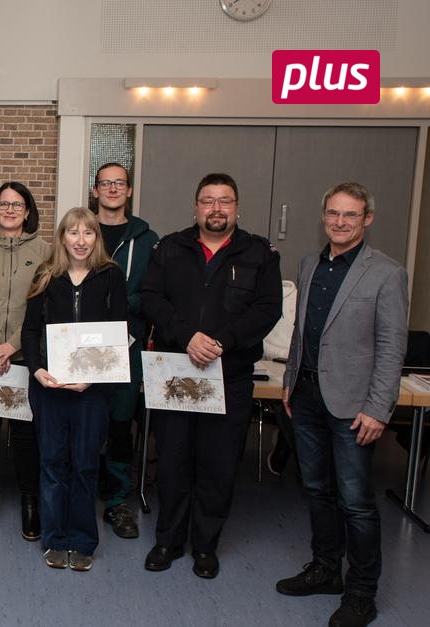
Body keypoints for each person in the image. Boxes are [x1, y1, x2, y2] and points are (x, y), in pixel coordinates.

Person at [276, 182, 408, 627]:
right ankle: (326, 569)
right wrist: (291, 379)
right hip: (308, 396)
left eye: (350, 215)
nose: (340, 222)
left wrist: (379, 407)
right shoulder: (310, 263)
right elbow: (302, 330)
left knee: (355, 501)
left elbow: (392, 347)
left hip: (354, 405)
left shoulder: (387, 273)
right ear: (323, 215)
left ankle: (361, 593)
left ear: (367, 219)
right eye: (333, 213)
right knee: (316, 490)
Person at [140, 172, 281, 578]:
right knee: (172, 462)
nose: (216, 208)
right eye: (208, 200)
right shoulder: (169, 248)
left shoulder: (260, 255)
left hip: (229, 375)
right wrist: (187, 337)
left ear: (237, 207)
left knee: (217, 466)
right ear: (196, 207)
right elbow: (151, 298)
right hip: (176, 375)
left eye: (225, 201)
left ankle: (205, 546)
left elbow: (267, 309)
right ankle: (167, 540)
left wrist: (221, 342)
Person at [20, 207, 127, 572]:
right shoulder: (46, 275)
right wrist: (35, 369)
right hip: (50, 387)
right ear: (62, 237)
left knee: (83, 465)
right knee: (52, 464)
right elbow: (30, 331)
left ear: (97, 238)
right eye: (73, 233)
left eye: (88, 233)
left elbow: (119, 332)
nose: (81, 241)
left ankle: (82, 541)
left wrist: (93, 376)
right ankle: (55, 539)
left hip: (92, 391)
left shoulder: (111, 276)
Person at [0, 181, 51, 541]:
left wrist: (13, 345)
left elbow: (46, 305)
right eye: (4, 204)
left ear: (28, 210)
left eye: (18, 204)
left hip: (24, 358)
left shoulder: (46, 251)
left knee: (25, 435)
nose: (11, 210)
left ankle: (30, 504)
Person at [90, 162, 158, 539]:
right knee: (83, 423)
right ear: (95, 189)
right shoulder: (79, 230)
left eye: (120, 183)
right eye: (106, 183)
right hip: (80, 347)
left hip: (127, 347)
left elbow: (152, 294)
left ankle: (117, 502)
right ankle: (79, 495)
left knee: (119, 426)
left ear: (129, 190)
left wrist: (115, 304)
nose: (113, 189)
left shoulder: (147, 239)